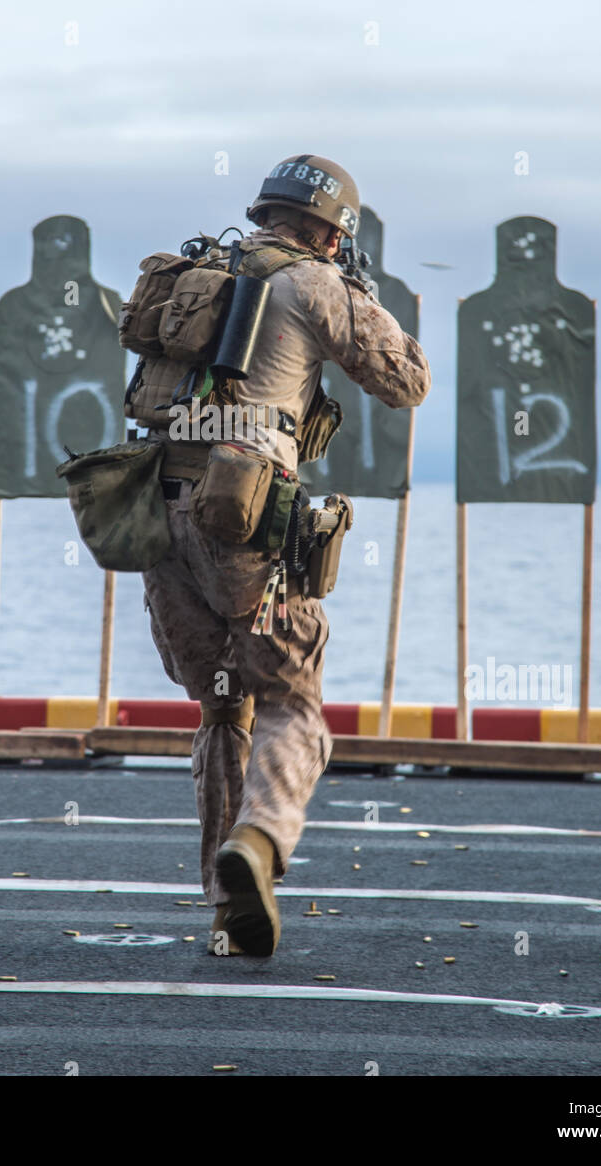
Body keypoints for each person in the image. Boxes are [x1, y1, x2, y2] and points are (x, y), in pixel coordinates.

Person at [138, 155, 431, 956]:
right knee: (291, 702)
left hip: (157, 512)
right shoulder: (316, 283)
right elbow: (407, 382)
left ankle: (224, 911)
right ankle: (260, 839)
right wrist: (361, 294)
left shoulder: (198, 272)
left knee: (222, 705)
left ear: (264, 212)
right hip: (243, 514)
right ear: (332, 233)